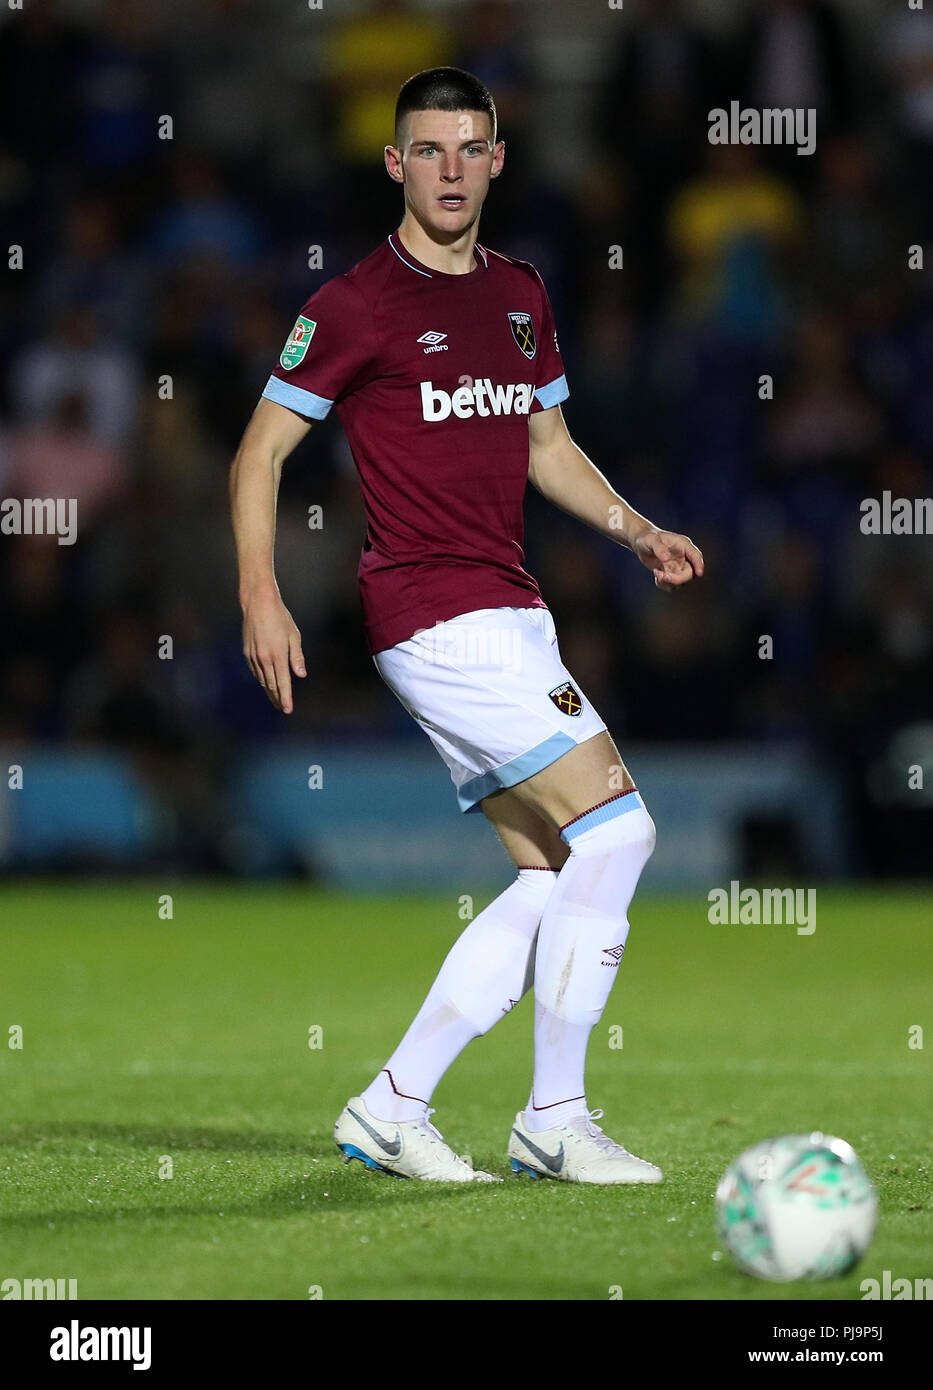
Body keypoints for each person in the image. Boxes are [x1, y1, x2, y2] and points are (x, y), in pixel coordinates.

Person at [229, 68, 703, 1185]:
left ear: (497, 160)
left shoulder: (521, 292)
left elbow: (547, 448)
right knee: (622, 831)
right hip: (437, 613)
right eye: (429, 150)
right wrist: (260, 589)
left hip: (509, 609)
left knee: (550, 875)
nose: (450, 169)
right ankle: (557, 1117)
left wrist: (638, 530)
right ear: (395, 163)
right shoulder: (352, 305)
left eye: (470, 148)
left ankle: (395, 1104)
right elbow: (259, 451)